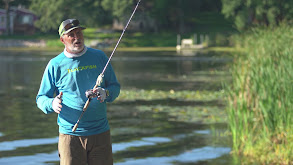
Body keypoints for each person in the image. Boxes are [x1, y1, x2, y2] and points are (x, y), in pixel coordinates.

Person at [36, 18, 120, 165]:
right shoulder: (55, 64)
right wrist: (52, 103)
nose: (77, 38)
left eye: (79, 33)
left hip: (100, 133)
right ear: (63, 39)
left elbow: (115, 87)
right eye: (71, 35)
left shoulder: (99, 57)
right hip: (70, 136)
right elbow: (41, 98)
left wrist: (106, 93)